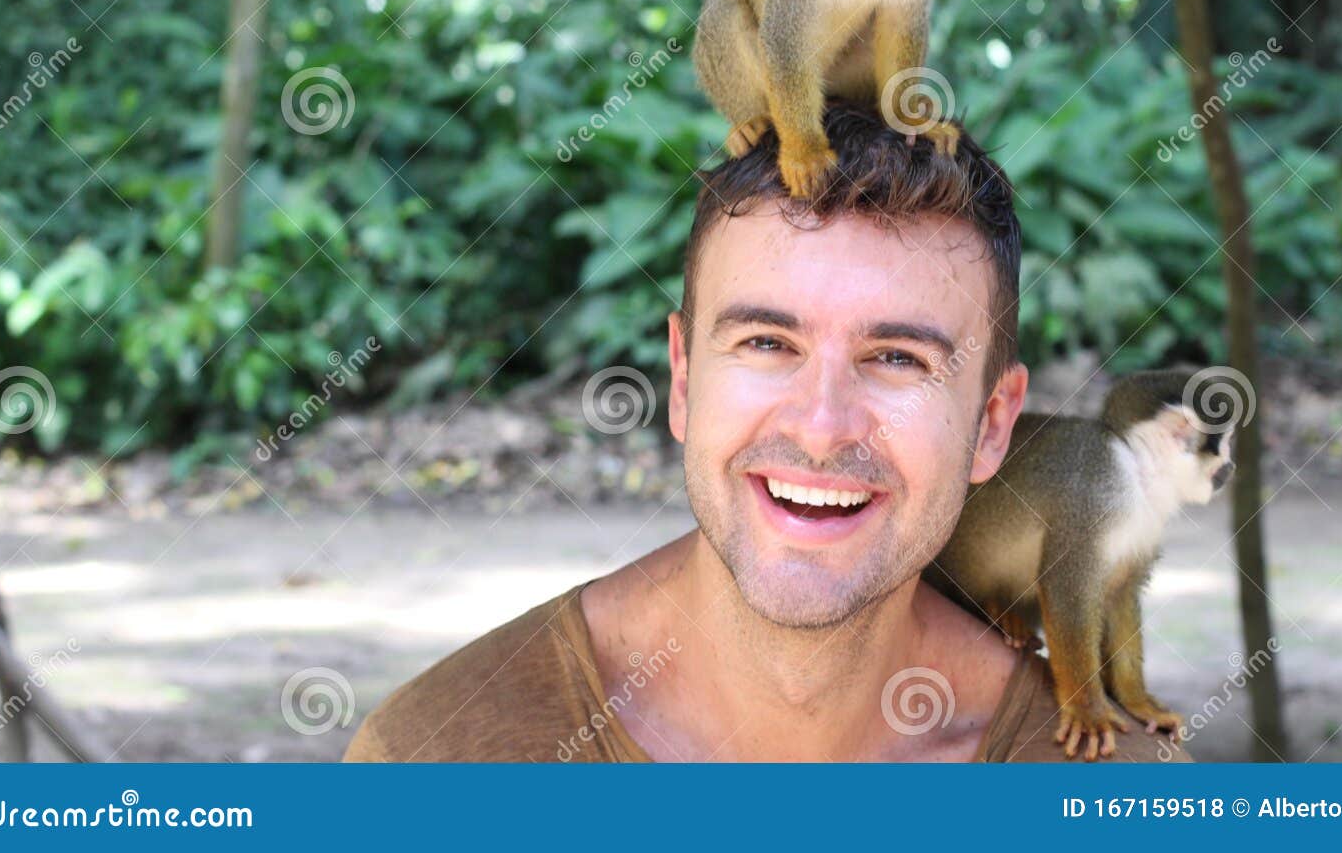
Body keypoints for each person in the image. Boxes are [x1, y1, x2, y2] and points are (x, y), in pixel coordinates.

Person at [345, 102, 1184, 762]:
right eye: (767, 344)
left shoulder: (1117, 793)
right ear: (682, 379)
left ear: (992, 425)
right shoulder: (438, 758)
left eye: (895, 358)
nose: (822, 428)